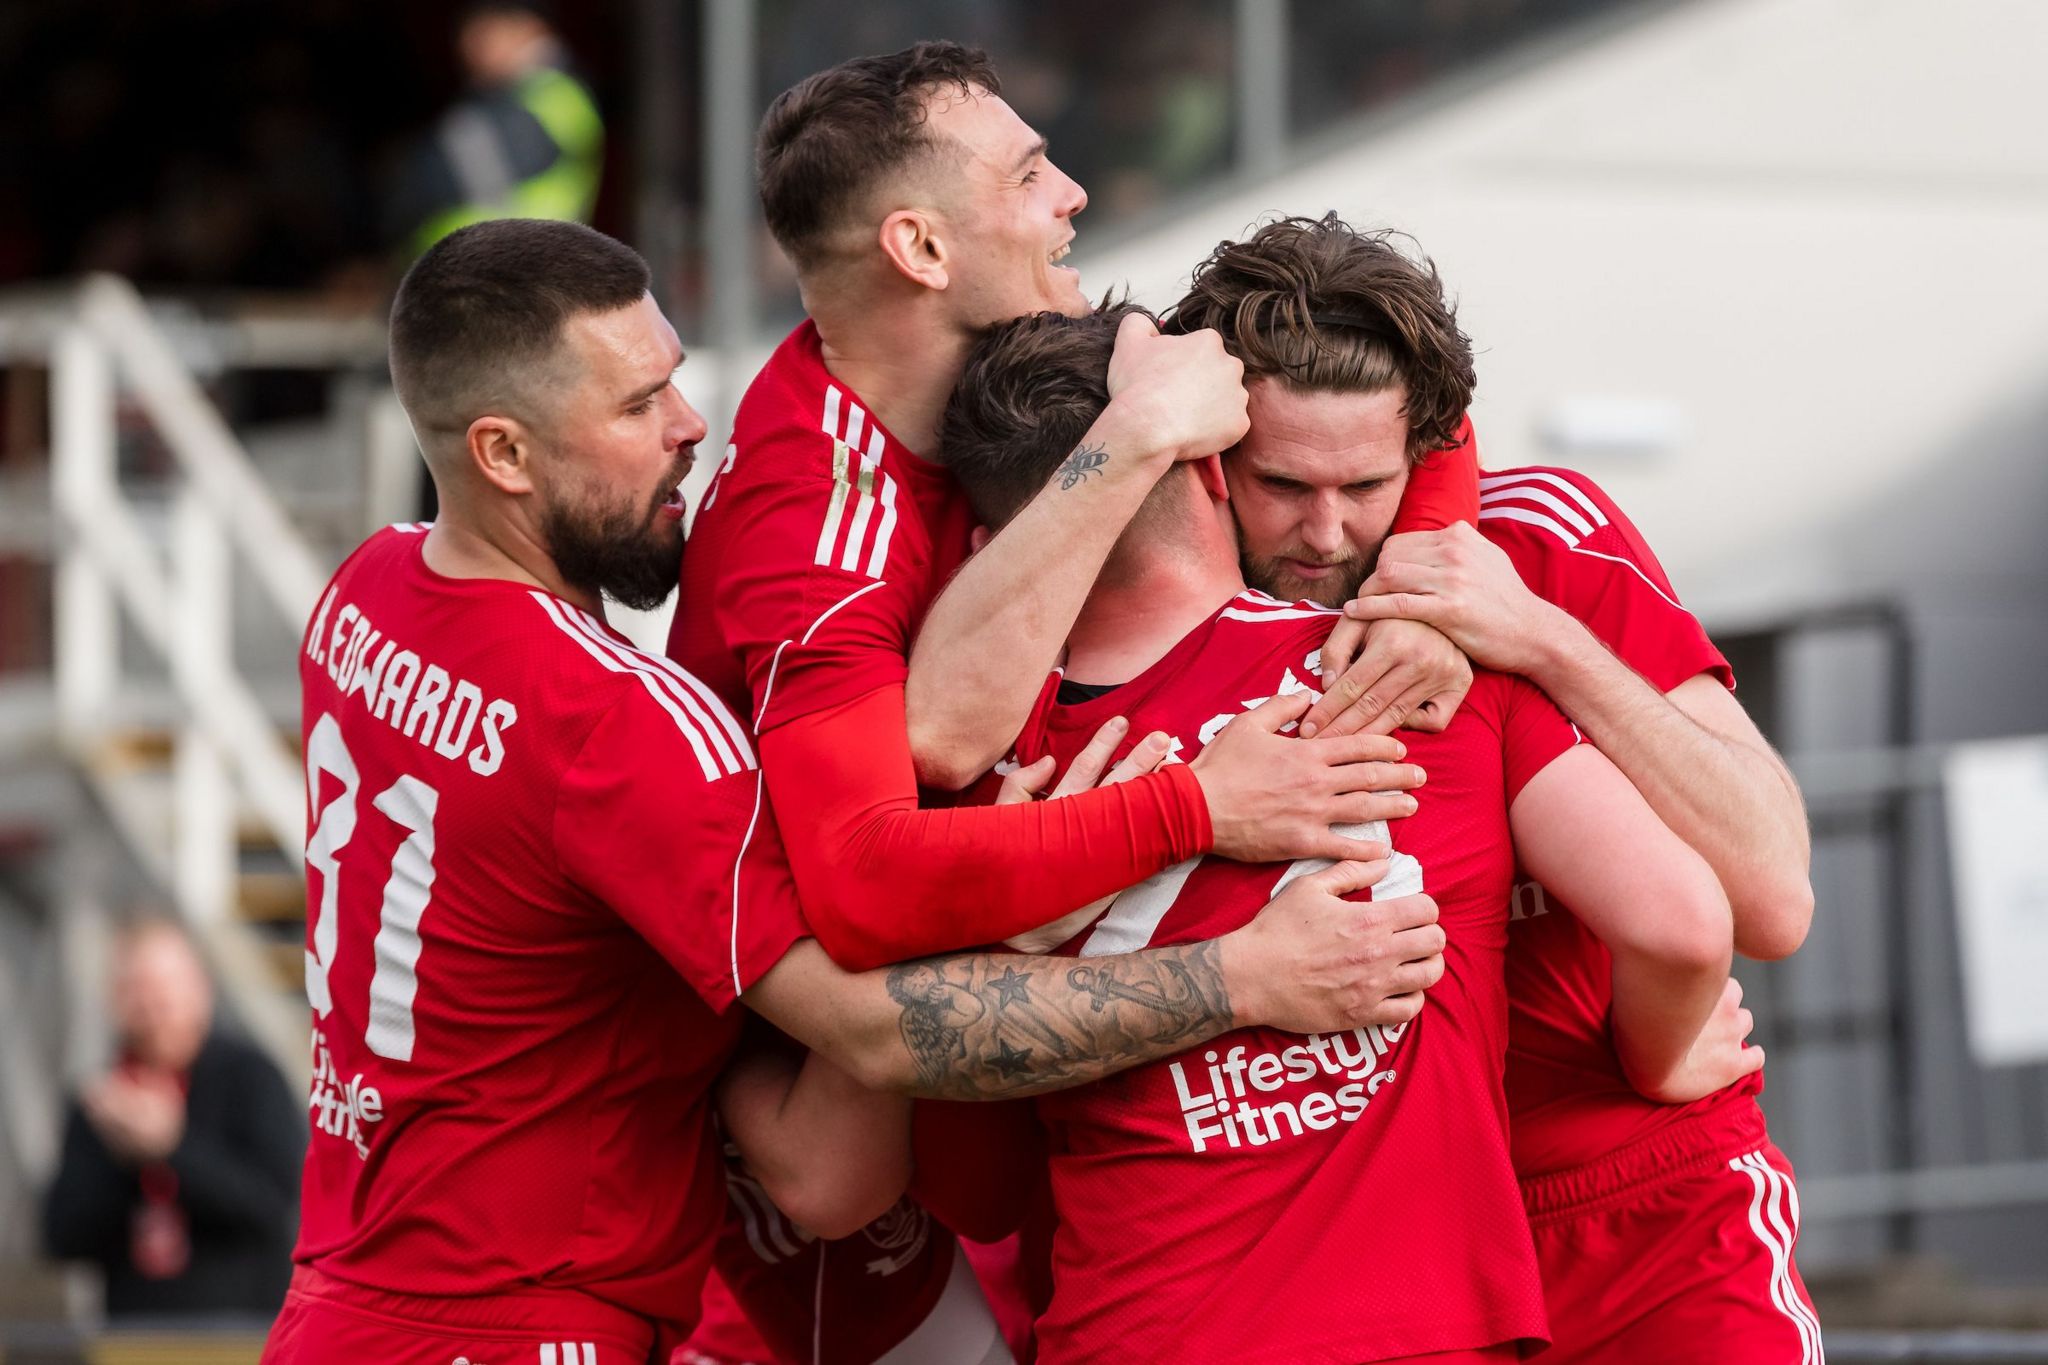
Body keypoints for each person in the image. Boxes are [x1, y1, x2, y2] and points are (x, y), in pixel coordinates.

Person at [260, 217, 1445, 1365]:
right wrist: (1236, 960)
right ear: (501, 454)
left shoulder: (365, 595)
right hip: (515, 1325)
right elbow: (875, 1051)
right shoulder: (620, 725)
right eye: (634, 407)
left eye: (673, 379)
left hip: (342, 1300)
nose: (687, 427)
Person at [668, 43, 1470, 1359]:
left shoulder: (1062, 361)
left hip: (1015, 1158)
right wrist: (1196, 806)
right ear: (922, 248)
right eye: (1030, 173)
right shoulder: (809, 524)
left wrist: (1427, 578)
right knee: (841, 1174)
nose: (1075, 194)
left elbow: (1385, 360)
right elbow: (872, 871)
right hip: (815, 1202)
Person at [925, 300, 1733, 1362]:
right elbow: (1679, 924)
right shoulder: (1421, 673)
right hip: (1426, 1327)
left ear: (988, 553)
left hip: (1135, 1330)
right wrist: (1657, 1059)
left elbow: (966, 1188)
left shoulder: (983, 796)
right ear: (1218, 469)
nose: (1323, 526)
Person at [1178, 214, 1824, 1362]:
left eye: (1363, 485)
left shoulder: (1536, 535)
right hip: (1361, 1250)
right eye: (1279, 484)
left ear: (1425, 450)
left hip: (1648, 1205)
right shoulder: (1156, 615)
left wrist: (1541, 642)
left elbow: (1769, 895)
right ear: (1208, 456)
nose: (1325, 531)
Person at [42, 919, 302, 1319]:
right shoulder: (103, 1100)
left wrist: (172, 1148)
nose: (150, 1007)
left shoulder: (249, 1079)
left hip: (242, 1336)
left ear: (200, 989)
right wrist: (125, 1154)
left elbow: (272, 1205)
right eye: (135, 990)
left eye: (163, 989)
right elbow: (61, 1236)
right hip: (134, 1339)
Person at [385, 0, 603, 259]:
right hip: (482, 267)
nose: (468, 47)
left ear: (528, 28)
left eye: (483, 33)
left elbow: (438, 174)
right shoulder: (508, 95)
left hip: (503, 271)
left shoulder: (553, 96)